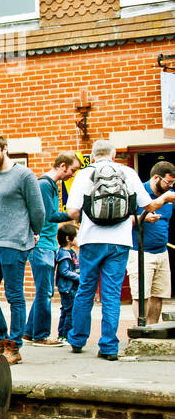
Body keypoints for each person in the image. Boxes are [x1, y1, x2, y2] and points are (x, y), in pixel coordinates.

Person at [66, 142, 174, 360]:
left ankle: (77, 339)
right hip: (120, 241)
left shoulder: (84, 175)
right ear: (114, 156)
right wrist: (164, 198)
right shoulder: (127, 172)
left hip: (91, 241)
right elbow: (148, 206)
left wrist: (88, 218)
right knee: (112, 294)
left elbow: (72, 211)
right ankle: (109, 346)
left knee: (86, 289)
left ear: (93, 157)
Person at [0, 134, 45, 365]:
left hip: (15, 244)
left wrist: (34, 232)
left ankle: (14, 347)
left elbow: (38, 211)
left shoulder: (24, 175)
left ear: (5, 149)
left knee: (14, 296)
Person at [27, 152, 80, 345]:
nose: (72, 175)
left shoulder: (49, 185)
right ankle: (40, 335)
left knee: (44, 290)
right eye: (72, 170)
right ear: (63, 166)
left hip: (46, 244)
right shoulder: (44, 185)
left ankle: (29, 331)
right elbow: (49, 216)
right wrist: (72, 214)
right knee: (45, 291)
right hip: (42, 245)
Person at [129, 161, 174, 325]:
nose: (170, 186)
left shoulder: (170, 195)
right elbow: (123, 220)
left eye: (173, 183)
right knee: (142, 294)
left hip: (162, 251)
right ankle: (142, 329)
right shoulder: (138, 192)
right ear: (156, 178)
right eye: (168, 182)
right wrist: (143, 218)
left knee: (158, 293)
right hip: (140, 251)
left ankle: (154, 329)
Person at [56, 222, 80, 342]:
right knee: (69, 311)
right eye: (76, 236)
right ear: (68, 238)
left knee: (66, 310)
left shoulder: (72, 252)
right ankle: (65, 335)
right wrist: (78, 277)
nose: (78, 238)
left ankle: (62, 334)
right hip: (67, 288)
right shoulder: (64, 254)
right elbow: (64, 271)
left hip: (71, 287)